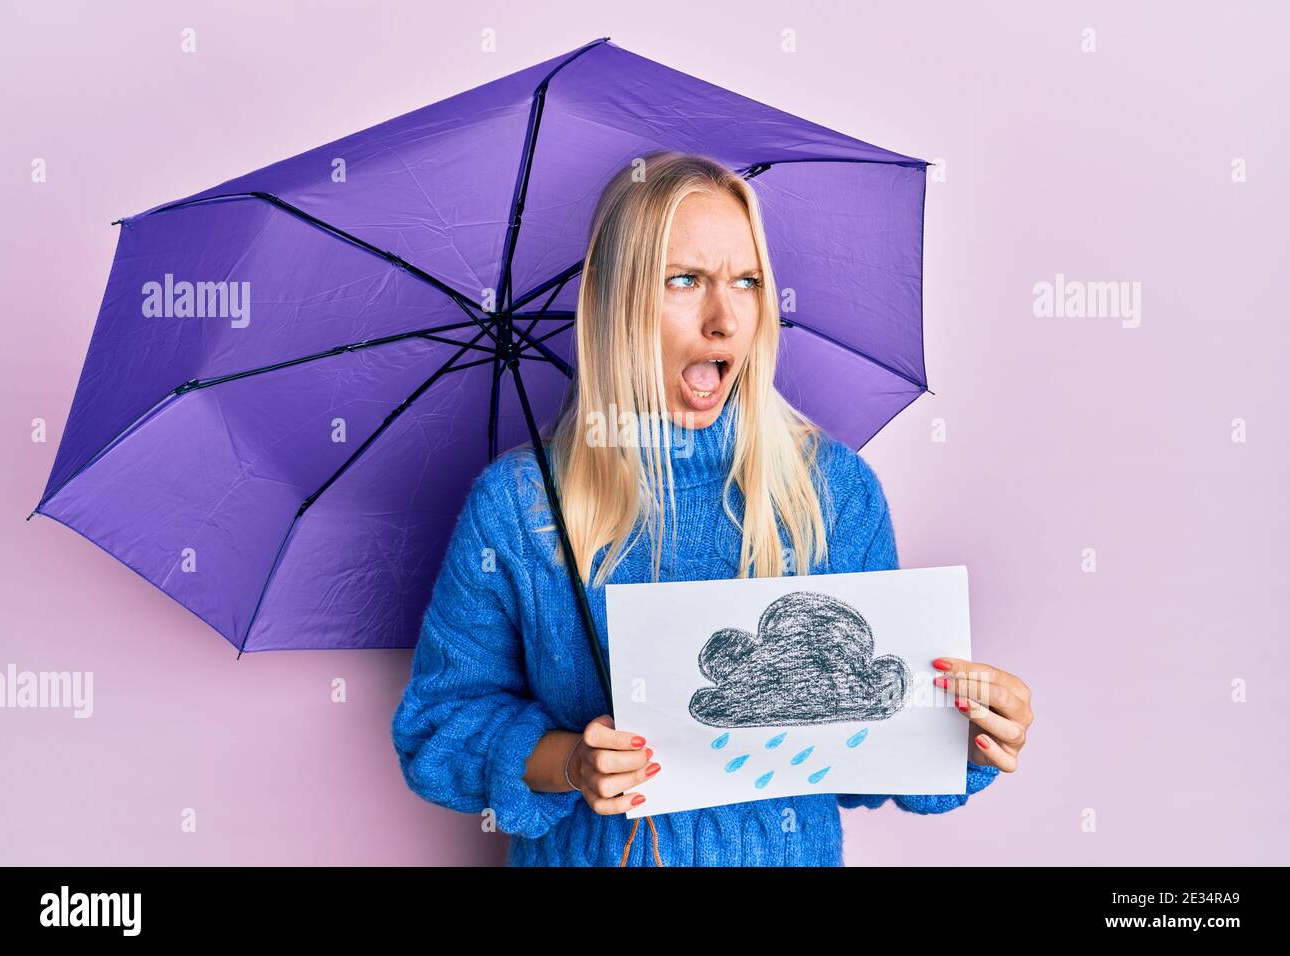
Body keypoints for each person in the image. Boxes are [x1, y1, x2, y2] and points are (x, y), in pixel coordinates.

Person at [391, 151, 1034, 866]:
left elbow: (864, 746)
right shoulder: (521, 506)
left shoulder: (832, 491)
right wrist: (571, 762)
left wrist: (967, 734)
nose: (725, 319)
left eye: (748, 281)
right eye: (685, 280)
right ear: (611, 301)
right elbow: (439, 730)